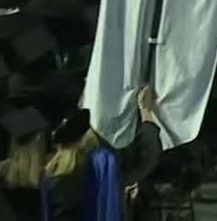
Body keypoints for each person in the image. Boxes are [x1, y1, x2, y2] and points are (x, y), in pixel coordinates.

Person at [42, 88, 164, 221]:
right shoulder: (101, 171)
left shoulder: (48, 178)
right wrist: (145, 111)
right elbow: (145, 158)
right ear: (85, 138)